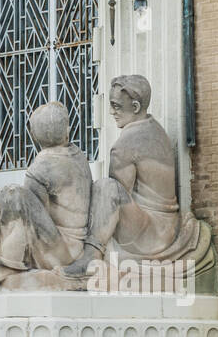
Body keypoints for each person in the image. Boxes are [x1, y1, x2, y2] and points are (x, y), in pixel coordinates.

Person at [63, 74, 201, 278]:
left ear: (135, 107)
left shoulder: (125, 145)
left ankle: (91, 255)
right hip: (168, 228)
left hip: (149, 236)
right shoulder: (155, 129)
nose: (111, 112)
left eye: (116, 106)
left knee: (106, 187)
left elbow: (112, 202)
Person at [0, 101, 93, 290]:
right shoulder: (78, 155)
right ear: (67, 130)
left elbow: (30, 224)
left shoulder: (41, 168)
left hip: (59, 253)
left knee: (12, 194)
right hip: (77, 249)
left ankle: (7, 264)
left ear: (34, 135)